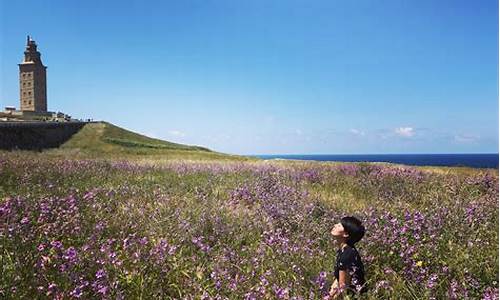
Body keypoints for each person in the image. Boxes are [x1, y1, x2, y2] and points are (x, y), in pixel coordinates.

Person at [328, 216, 366, 299]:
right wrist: (329, 296)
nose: (335, 225)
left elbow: (342, 289)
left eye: (339, 225)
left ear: (346, 234)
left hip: (353, 296)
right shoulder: (345, 249)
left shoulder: (347, 255)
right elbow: (339, 280)